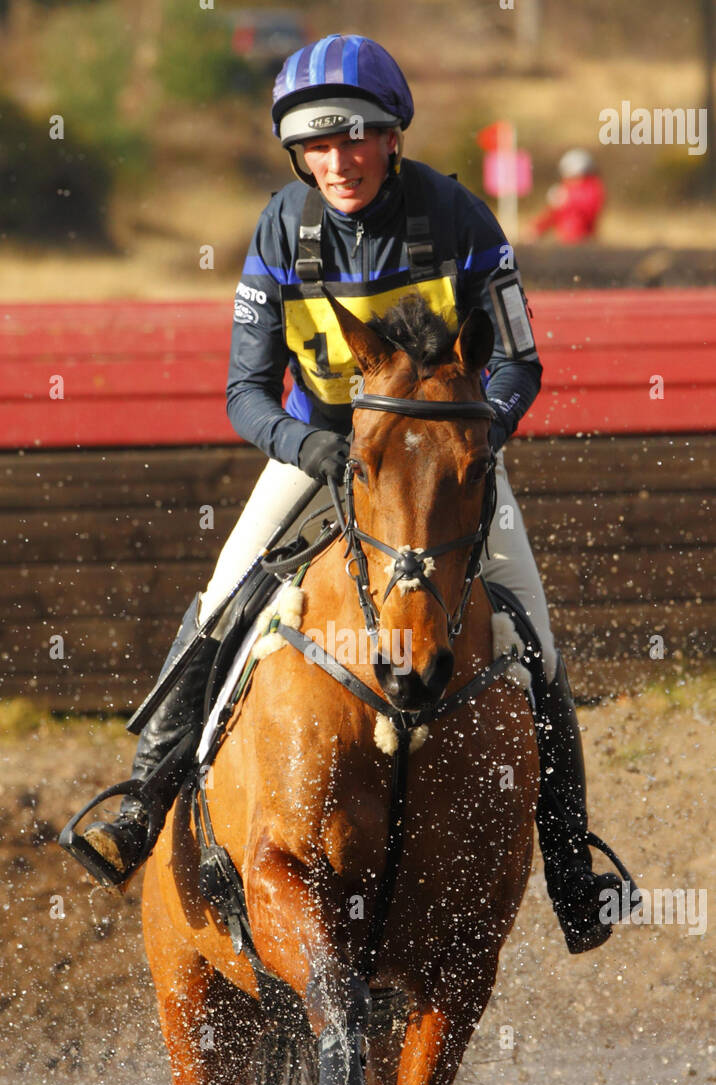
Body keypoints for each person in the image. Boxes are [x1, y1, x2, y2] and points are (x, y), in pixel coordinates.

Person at [61, 34, 633, 953]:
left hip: (436, 461)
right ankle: (141, 804)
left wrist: (465, 441)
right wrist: (309, 447)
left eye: (356, 139)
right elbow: (244, 391)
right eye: (317, 147)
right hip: (320, 448)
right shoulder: (281, 230)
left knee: (540, 646)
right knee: (221, 600)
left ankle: (572, 870)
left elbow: (520, 362)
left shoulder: (462, 219)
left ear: (393, 137)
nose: (338, 162)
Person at [529, 148, 606, 243]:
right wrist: (537, 228)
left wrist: (569, 200)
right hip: (564, 242)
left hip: (585, 241)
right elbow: (551, 214)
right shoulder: (564, 188)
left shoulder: (593, 187)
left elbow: (590, 209)